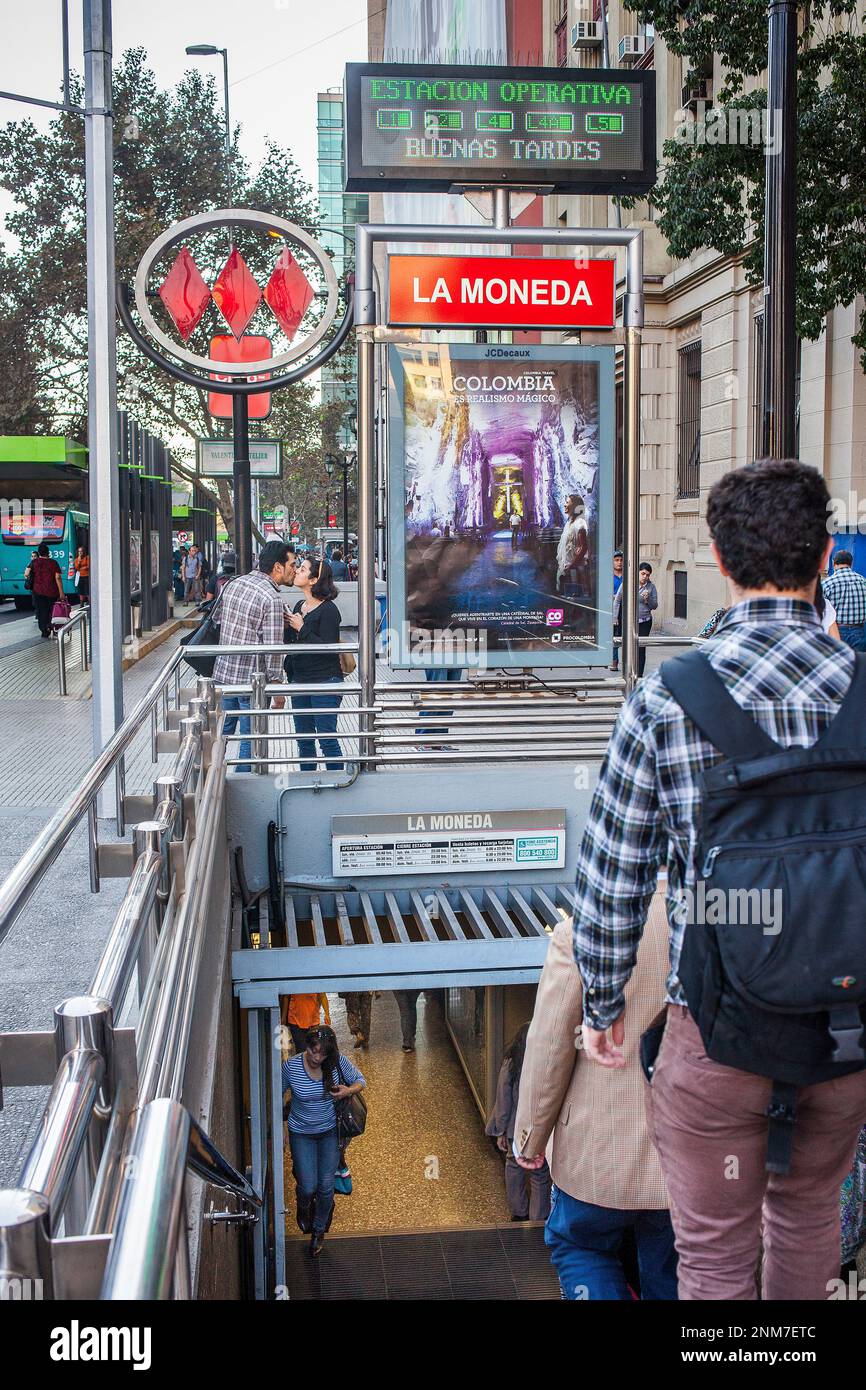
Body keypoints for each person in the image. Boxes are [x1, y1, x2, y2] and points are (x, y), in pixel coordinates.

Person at [573, 457, 866, 1301]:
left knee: (711, 1255)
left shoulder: (669, 697)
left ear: (717, 558)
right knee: (808, 1215)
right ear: (823, 558)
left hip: (717, 1031)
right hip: (843, 1035)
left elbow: (613, 874)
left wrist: (602, 1006)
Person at [513, 897, 677, 1299]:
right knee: (672, 1266)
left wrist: (530, 1137)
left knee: (581, 1244)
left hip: (598, 1156)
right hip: (693, 1160)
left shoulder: (584, 931)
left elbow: (551, 1044)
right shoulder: (732, 918)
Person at [213, 540, 296, 774]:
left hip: (223, 675)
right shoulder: (271, 598)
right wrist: (278, 687)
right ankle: (241, 787)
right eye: (292, 564)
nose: (294, 569)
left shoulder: (234, 584)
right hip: (252, 683)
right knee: (251, 741)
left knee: (220, 736)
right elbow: (273, 648)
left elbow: (218, 619)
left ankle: (209, 781)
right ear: (278, 567)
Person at [282, 1025, 365, 1256]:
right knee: (307, 1186)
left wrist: (348, 1090)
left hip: (329, 1132)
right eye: (313, 1050)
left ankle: (319, 1231)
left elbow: (361, 1080)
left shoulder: (336, 1063)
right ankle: (303, 1206)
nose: (317, 1057)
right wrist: (282, 1129)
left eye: (323, 1053)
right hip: (301, 1133)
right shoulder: (292, 1067)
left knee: (326, 1186)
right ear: (306, 1046)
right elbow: (275, 1095)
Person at [486, 1024, 552, 1225]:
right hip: (541, 1127)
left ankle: (518, 1212)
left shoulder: (511, 1063)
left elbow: (504, 1100)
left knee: (514, 1164)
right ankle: (539, 1217)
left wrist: (500, 1130)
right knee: (540, 1171)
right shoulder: (547, 1064)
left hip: (516, 1126)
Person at [284, 556, 344, 771]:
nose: (297, 571)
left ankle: (338, 785)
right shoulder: (299, 605)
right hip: (300, 680)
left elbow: (327, 648)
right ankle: (307, 783)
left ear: (314, 579)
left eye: (302, 569)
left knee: (327, 739)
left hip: (325, 681)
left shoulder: (329, 610)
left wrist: (301, 627)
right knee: (304, 740)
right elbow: (293, 643)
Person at [612, 561, 659, 677]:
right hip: (629, 621)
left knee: (641, 648)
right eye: (643, 574)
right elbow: (617, 600)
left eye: (647, 575)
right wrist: (614, 617)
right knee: (629, 647)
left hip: (645, 621)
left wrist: (648, 600)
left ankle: (639, 676)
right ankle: (628, 673)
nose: (645, 577)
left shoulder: (651, 587)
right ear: (637, 573)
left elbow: (654, 606)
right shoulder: (628, 584)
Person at [822, 549, 866, 650]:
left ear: (834, 563)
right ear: (851, 563)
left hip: (836, 632)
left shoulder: (827, 584)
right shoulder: (863, 581)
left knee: (839, 663)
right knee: (859, 664)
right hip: (859, 631)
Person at [556, 494, 589, 605]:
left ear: (574, 505)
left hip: (575, 569)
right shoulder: (570, 523)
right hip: (568, 568)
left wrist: (572, 566)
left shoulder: (580, 523)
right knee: (567, 599)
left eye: (567, 502)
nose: (565, 504)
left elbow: (583, 547)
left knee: (575, 600)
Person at [30, 541, 63, 639]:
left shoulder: (34, 562)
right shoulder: (53, 563)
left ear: (39, 553)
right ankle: (52, 628)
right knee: (52, 610)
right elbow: (58, 578)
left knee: (41, 611)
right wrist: (61, 593)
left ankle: (44, 631)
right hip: (52, 591)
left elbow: (27, 573)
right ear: (48, 552)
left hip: (38, 591)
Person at [609, 549, 623, 670]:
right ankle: (614, 662)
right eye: (616, 560)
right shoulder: (609, 576)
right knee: (614, 635)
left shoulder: (627, 576)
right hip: (612, 608)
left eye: (621, 560)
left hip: (625, 608)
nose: (619, 563)